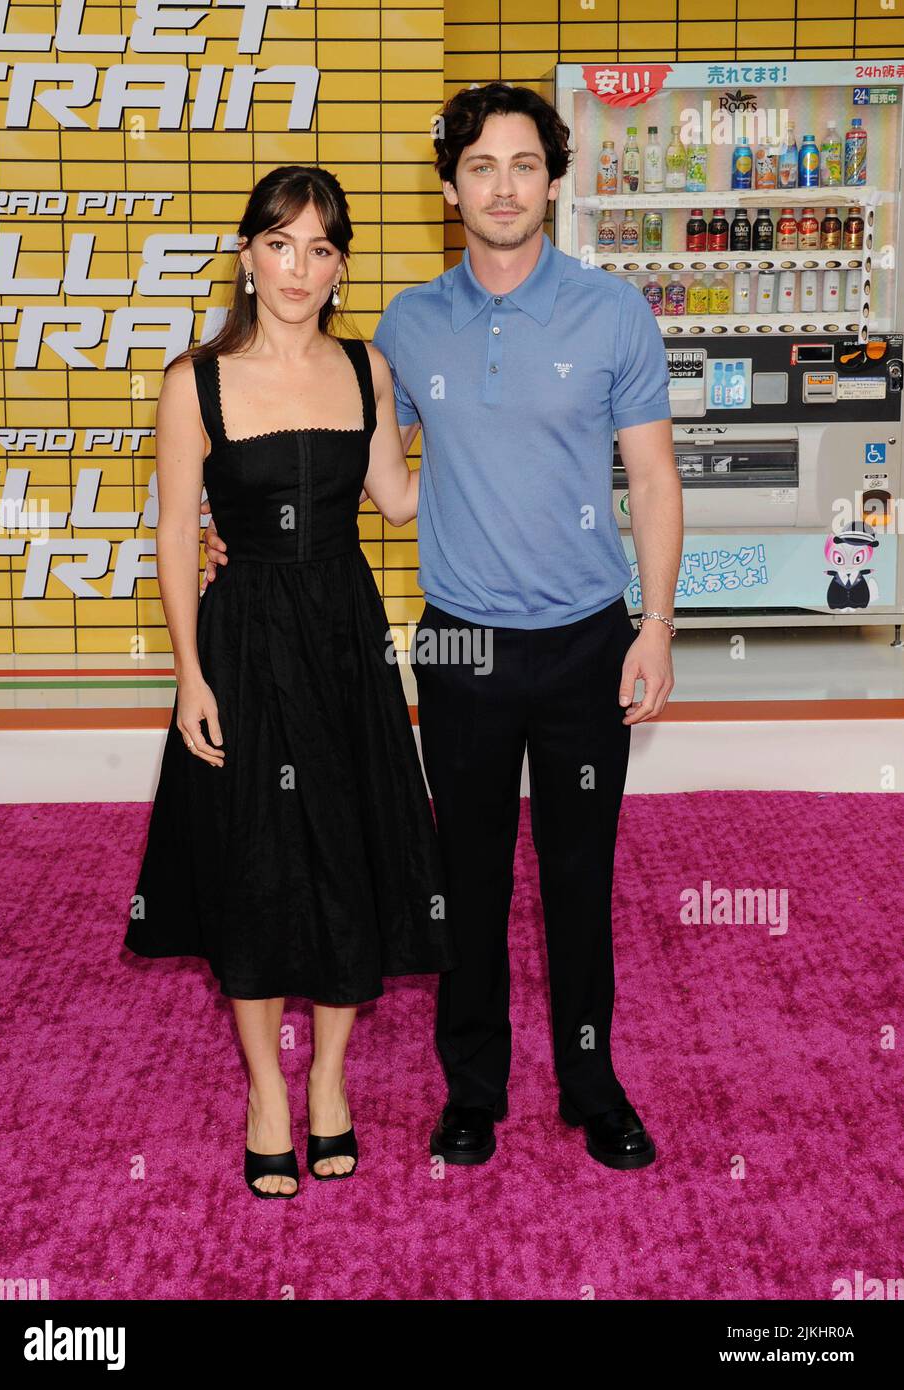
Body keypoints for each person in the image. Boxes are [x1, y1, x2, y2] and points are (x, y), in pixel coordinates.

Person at [203, 85, 683, 1173]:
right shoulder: (407, 326)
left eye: (523, 164)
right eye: (480, 166)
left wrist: (655, 625)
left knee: (579, 877)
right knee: (462, 879)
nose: (503, 185)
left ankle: (593, 1085)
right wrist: (226, 528)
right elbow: (363, 471)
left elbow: (653, 481)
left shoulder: (613, 313)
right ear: (451, 186)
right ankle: (473, 1090)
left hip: (586, 642)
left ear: (553, 181)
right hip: (459, 645)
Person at [123, 165, 455, 1200]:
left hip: (347, 636)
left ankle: (333, 1088)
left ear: (341, 266)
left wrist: (487, 424)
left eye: (320, 247)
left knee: (350, 851)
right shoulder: (197, 380)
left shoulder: (369, 372)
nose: (299, 265)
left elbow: (398, 503)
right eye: (280, 242)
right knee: (256, 862)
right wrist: (188, 674)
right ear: (247, 256)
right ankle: (269, 1088)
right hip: (242, 643)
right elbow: (179, 531)